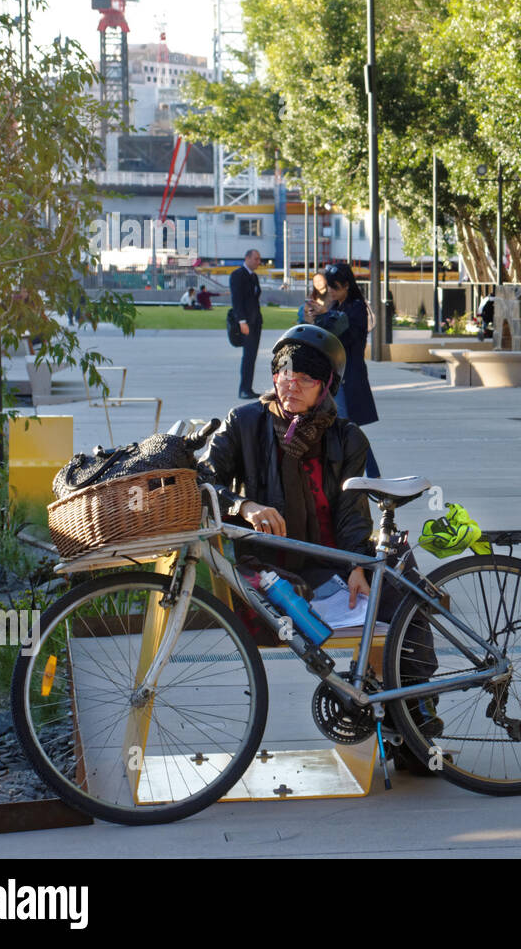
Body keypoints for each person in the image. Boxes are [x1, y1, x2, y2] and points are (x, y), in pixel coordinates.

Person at [198, 322, 434, 771]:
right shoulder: (244, 423)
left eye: (306, 378)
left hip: (333, 563)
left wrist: (357, 566)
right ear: (273, 376)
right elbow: (201, 480)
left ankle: (414, 718)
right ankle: (406, 720)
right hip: (274, 570)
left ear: (325, 386)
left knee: (404, 591)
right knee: (377, 596)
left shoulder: (346, 438)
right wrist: (243, 503)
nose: (292, 384)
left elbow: (351, 515)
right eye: (285, 373)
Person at [312, 262, 381, 477]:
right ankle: (365, 474)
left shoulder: (357, 308)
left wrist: (325, 315)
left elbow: (344, 335)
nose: (331, 291)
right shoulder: (337, 307)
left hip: (349, 376)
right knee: (343, 426)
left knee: (346, 426)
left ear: (346, 286)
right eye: (329, 287)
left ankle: (369, 474)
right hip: (336, 375)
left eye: (335, 287)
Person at [230, 248, 264, 398]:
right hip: (246, 323)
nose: (258, 262)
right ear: (247, 258)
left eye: (259, 259)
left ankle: (248, 388)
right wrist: (242, 321)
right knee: (248, 356)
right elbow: (237, 300)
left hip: (256, 321)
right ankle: (243, 389)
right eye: (256, 259)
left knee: (252, 356)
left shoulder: (254, 276)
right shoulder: (238, 275)